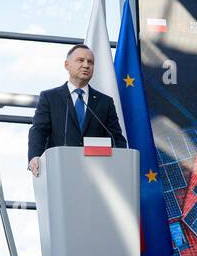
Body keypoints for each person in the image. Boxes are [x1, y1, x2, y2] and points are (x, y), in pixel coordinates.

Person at [27, 43, 126, 177]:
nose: (86, 65)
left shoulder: (105, 102)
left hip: (97, 176)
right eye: (80, 60)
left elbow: (117, 139)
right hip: (59, 172)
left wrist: (120, 164)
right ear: (67, 65)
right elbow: (39, 130)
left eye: (90, 62)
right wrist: (35, 156)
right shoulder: (50, 97)